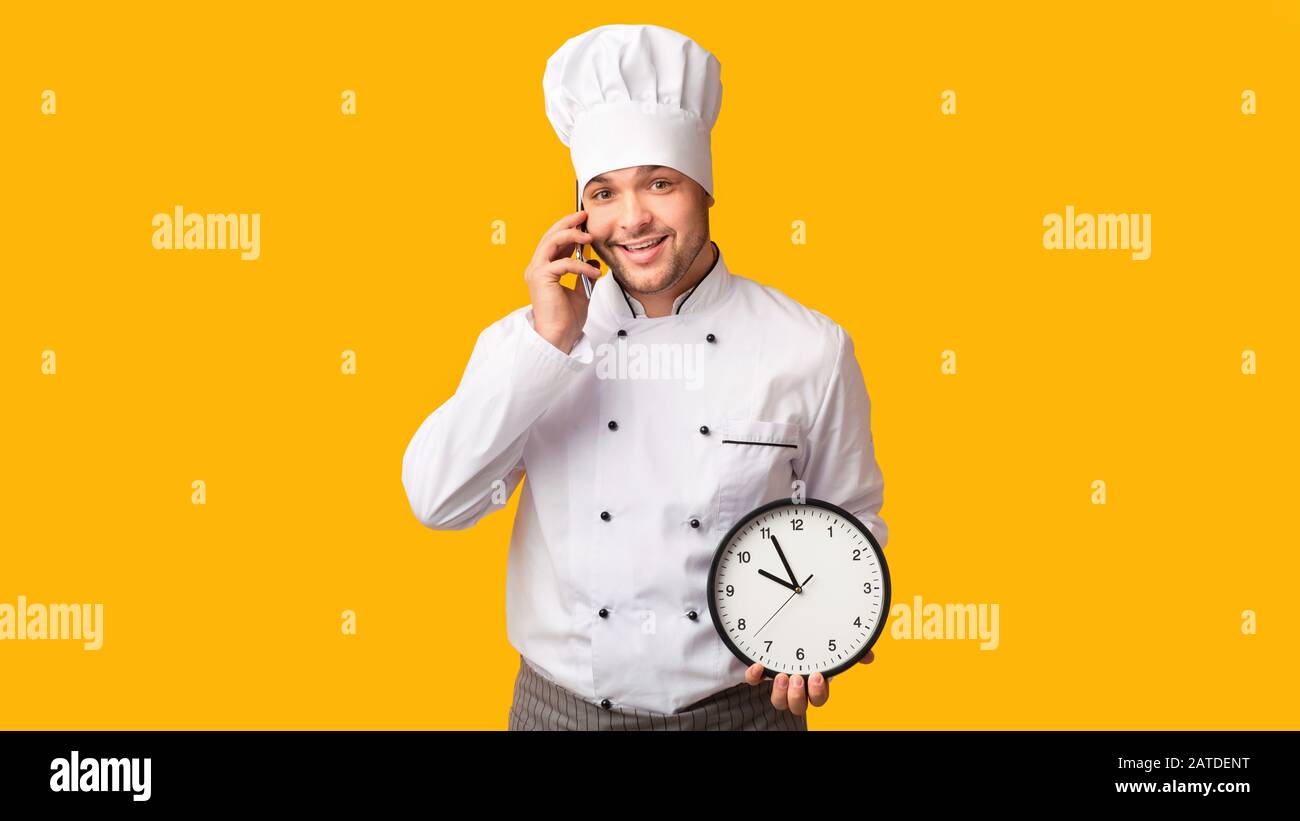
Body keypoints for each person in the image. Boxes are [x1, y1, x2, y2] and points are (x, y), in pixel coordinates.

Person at [402, 23, 887, 730]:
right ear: (580, 214)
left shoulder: (809, 347)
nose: (633, 219)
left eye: (660, 183)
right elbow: (436, 499)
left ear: (705, 190)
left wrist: (826, 626)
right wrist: (548, 344)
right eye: (604, 193)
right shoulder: (532, 343)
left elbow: (851, 519)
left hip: (744, 713)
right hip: (558, 714)